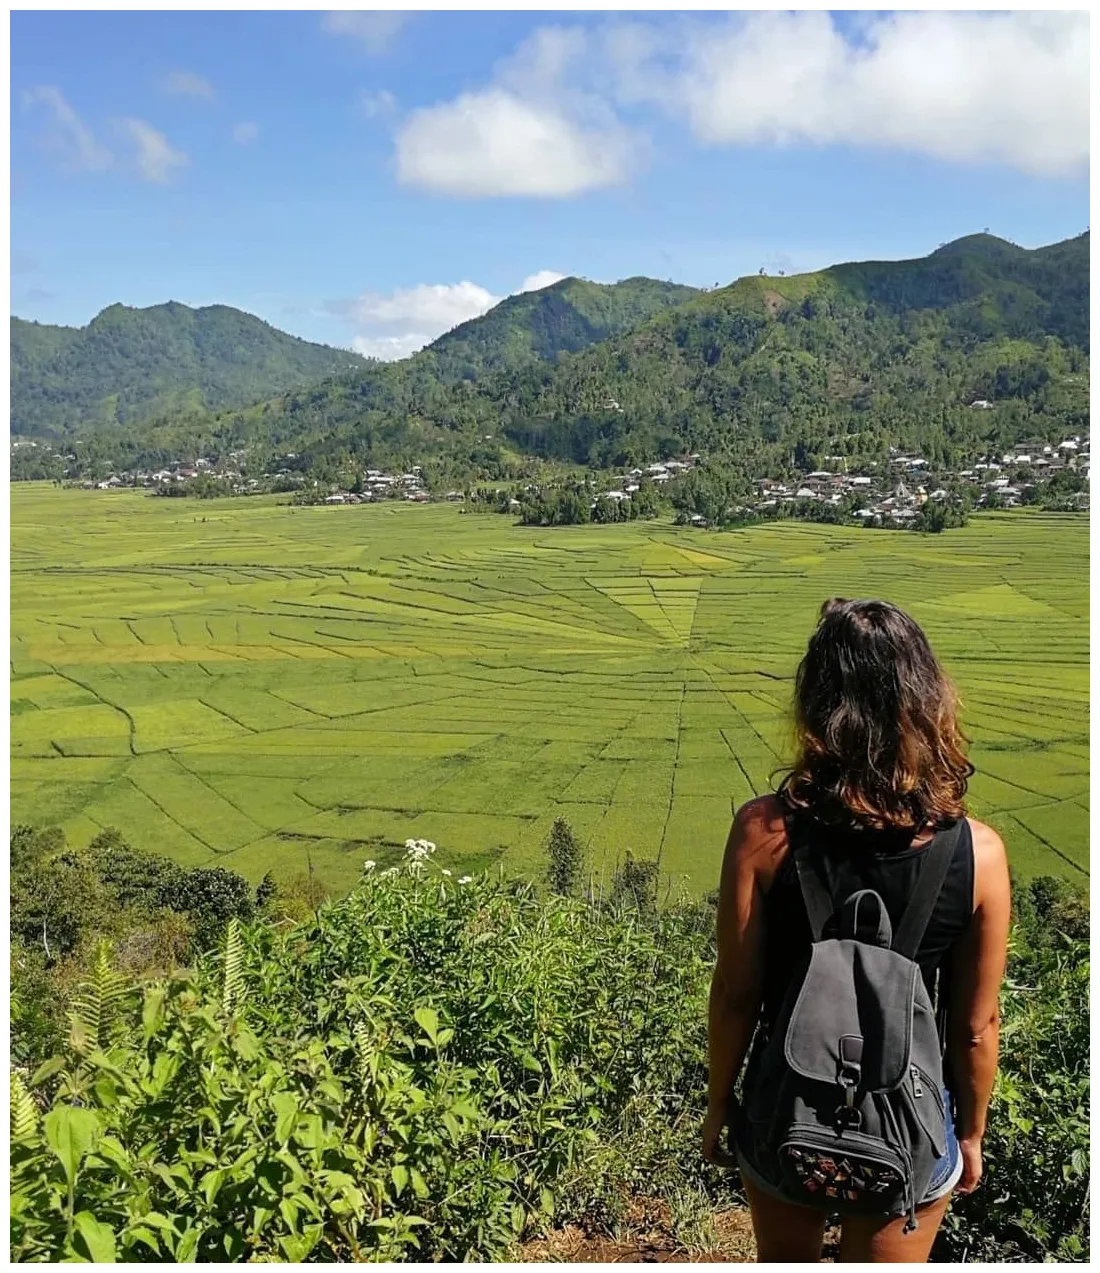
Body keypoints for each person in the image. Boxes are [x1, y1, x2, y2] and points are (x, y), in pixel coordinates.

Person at [702, 598, 1011, 1263]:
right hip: (912, 1119)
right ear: (925, 700)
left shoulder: (764, 833)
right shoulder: (976, 853)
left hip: (784, 1109)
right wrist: (971, 1132)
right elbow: (977, 1026)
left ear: (816, 702)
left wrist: (720, 1100)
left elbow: (735, 992)